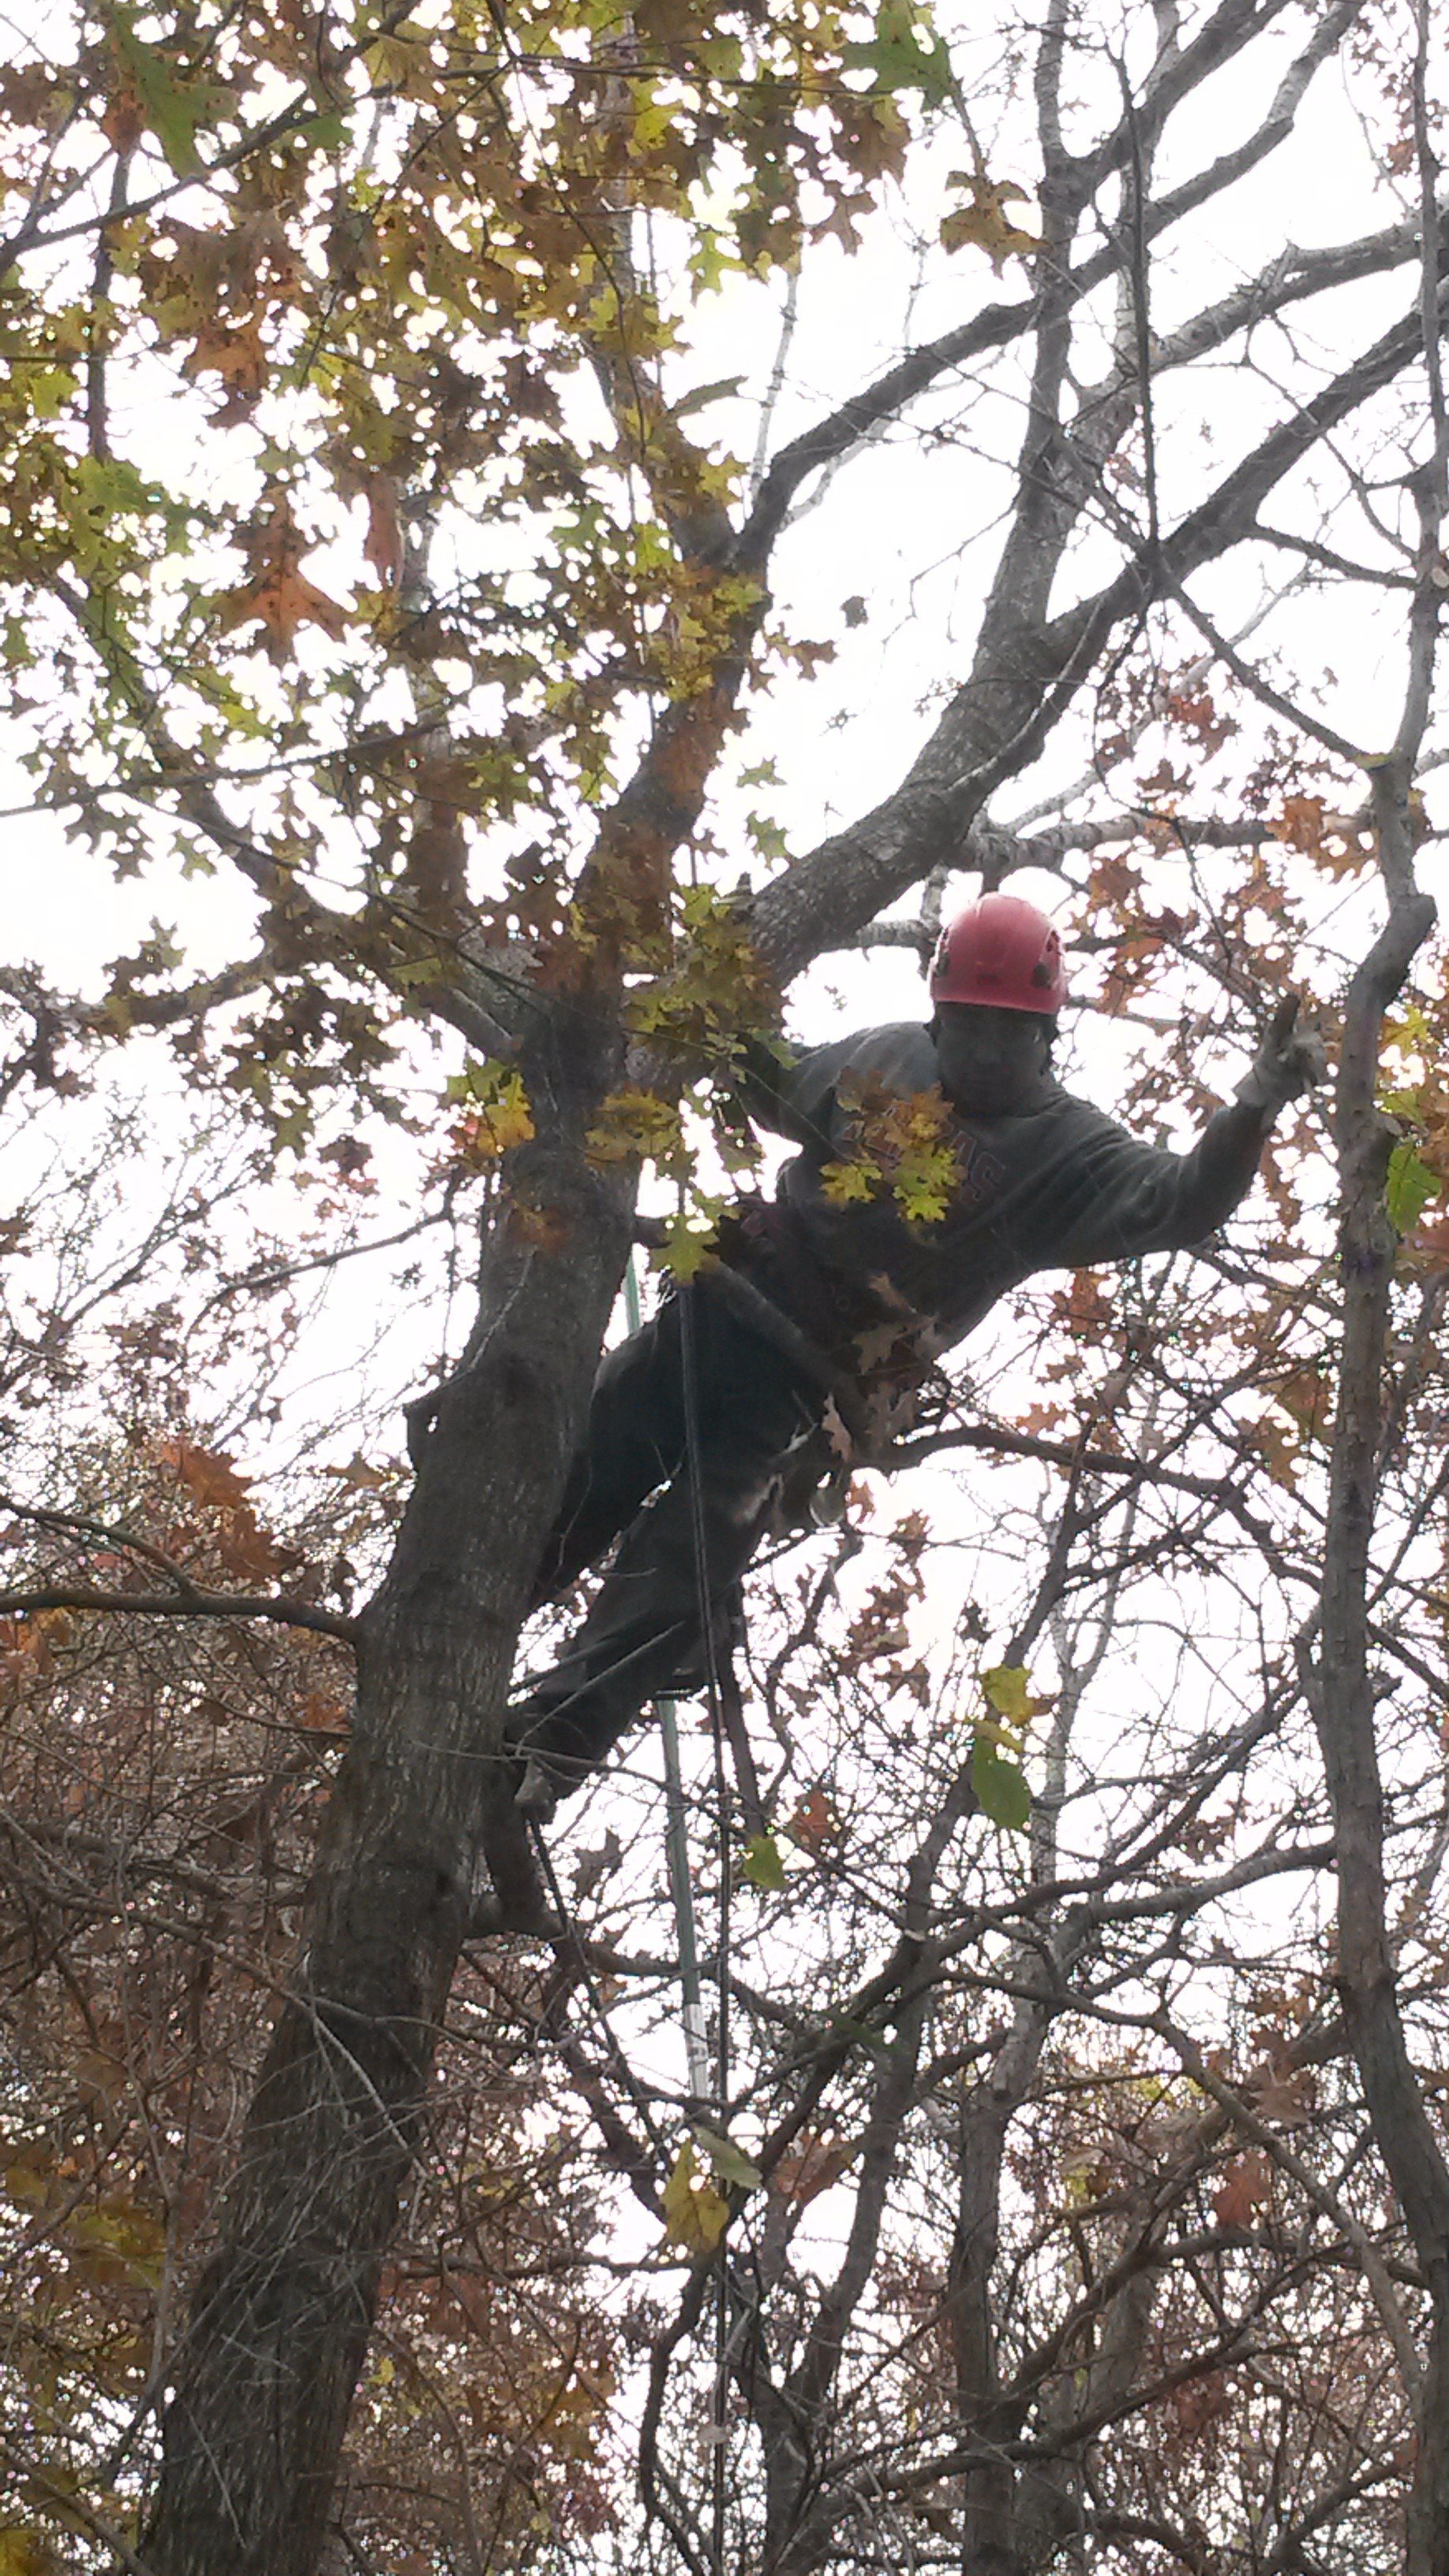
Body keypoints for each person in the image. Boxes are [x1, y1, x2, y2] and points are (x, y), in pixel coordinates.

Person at [509, 893, 1326, 1818]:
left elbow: (1178, 1200)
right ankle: (470, 1602)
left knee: (693, 1545)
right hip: (723, 1305)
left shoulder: (1067, 1151)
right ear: (938, 1015)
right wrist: (710, 1001)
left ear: (1045, 1037)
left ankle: (546, 1747)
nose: (978, 1053)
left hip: (809, 1381)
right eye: (965, 1028)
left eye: (1004, 1035)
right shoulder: (890, 1056)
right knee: (591, 1451)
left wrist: (1253, 1108)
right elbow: (779, 1077)